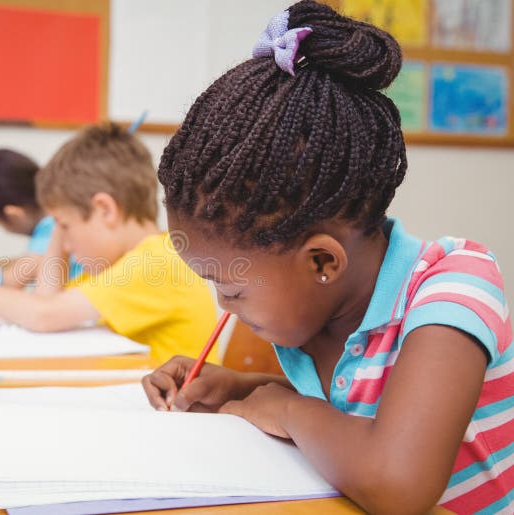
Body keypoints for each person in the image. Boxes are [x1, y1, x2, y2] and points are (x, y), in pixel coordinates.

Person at [141, 2, 513, 513]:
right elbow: (356, 402)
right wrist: (239, 389)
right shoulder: (315, 314)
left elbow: (399, 484)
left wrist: (288, 408)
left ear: (322, 263)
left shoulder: (452, 288)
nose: (224, 307)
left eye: (232, 288)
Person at [0, 123, 219, 364]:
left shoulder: (156, 262)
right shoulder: (116, 265)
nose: (66, 245)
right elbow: (47, 298)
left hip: (181, 421)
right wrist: (61, 226)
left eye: (66, 228)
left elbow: (44, 315)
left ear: (105, 211)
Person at [0, 148, 81, 288]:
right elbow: (24, 260)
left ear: (13, 214)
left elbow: (8, 283)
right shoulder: (62, 216)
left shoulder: (51, 233)